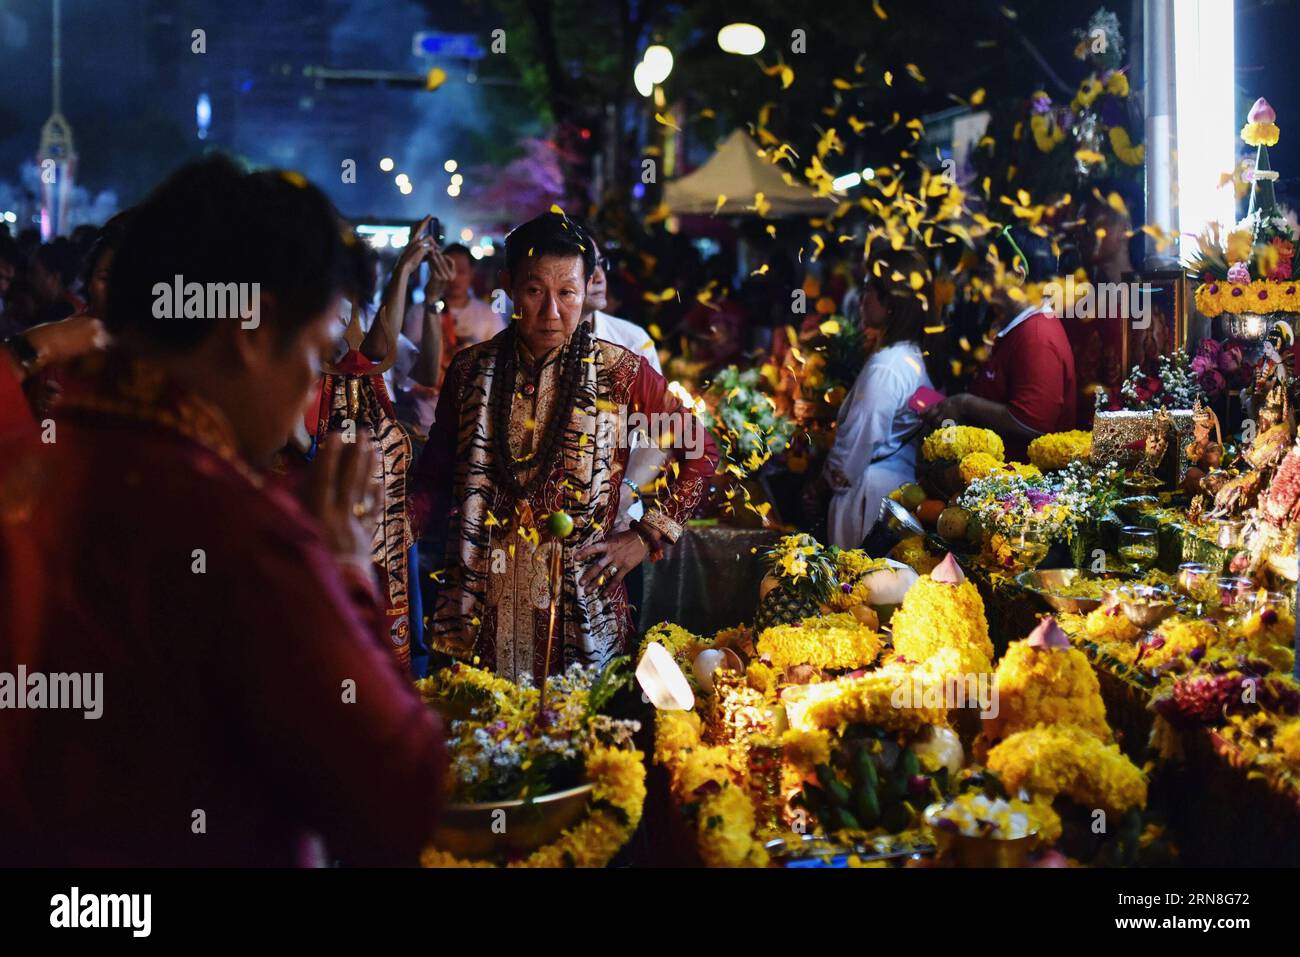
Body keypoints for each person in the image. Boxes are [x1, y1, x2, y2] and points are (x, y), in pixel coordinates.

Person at [0, 156, 446, 866]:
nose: (313, 376)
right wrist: (346, 570)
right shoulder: (245, 535)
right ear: (249, 330)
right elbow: (399, 794)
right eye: (313, 347)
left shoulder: (26, 462)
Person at [408, 211, 717, 683]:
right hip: (483, 604)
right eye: (535, 292)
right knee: (486, 738)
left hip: (585, 604)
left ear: (587, 286)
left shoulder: (622, 371)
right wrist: (392, 528)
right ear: (509, 286)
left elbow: (701, 451)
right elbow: (435, 477)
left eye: (567, 293)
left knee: (581, 744)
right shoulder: (471, 371)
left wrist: (644, 536)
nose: (552, 313)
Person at [922, 230, 1077, 461]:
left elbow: (1033, 421)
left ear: (1017, 275)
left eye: (988, 271)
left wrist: (966, 404)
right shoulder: (1018, 327)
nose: (980, 281)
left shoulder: (1037, 336)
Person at [824, 252, 935, 548]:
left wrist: (826, 480)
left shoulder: (886, 366)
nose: (862, 301)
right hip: (891, 486)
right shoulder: (907, 355)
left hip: (870, 494)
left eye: (868, 291)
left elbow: (858, 441)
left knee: (856, 585)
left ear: (890, 304)